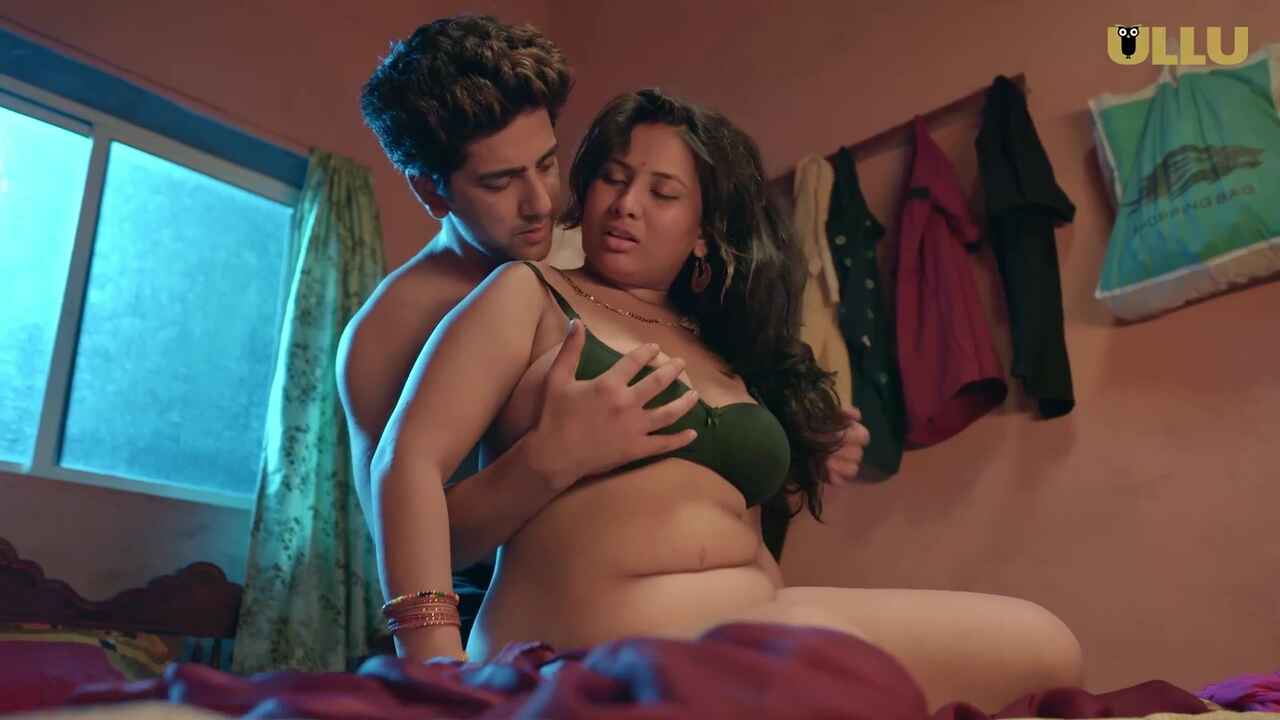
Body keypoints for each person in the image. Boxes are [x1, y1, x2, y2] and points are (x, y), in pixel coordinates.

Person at [374, 88, 1084, 712]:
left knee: (1042, 645)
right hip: (592, 649)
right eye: (613, 179)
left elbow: (711, 518)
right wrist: (440, 675)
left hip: (759, 621)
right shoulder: (527, 295)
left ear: (705, 231)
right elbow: (405, 469)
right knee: (823, 653)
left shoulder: (724, 347)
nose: (625, 204)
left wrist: (804, 457)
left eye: (662, 193)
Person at [339, 16, 870, 663]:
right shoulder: (389, 331)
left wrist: (800, 443)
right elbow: (406, 545)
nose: (541, 202)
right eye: (501, 182)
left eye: (547, 163)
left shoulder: (599, 252)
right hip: (513, 634)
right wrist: (548, 460)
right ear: (431, 191)